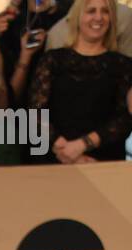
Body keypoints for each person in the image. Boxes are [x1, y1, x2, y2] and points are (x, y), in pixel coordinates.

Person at [30, 0, 132, 159]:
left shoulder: (123, 66)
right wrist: (63, 149)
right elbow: (34, 112)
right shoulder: (51, 60)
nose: (99, 17)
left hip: (102, 163)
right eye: (91, 11)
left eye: (105, 11)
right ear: (78, 17)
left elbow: (124, 120)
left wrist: (82, 145)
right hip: (54, 160)